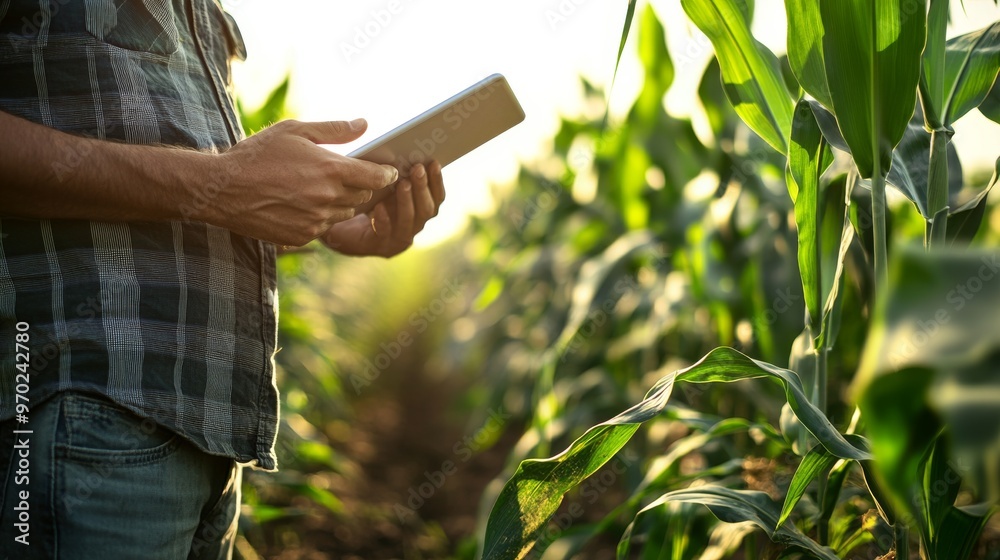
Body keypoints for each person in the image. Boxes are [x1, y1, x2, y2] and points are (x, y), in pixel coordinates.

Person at [0, 1, 444, 557]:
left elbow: (201, 195)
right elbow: (215, 186)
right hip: (84, 403)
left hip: (211, 433)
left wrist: (327, 223)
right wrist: (224, 182)